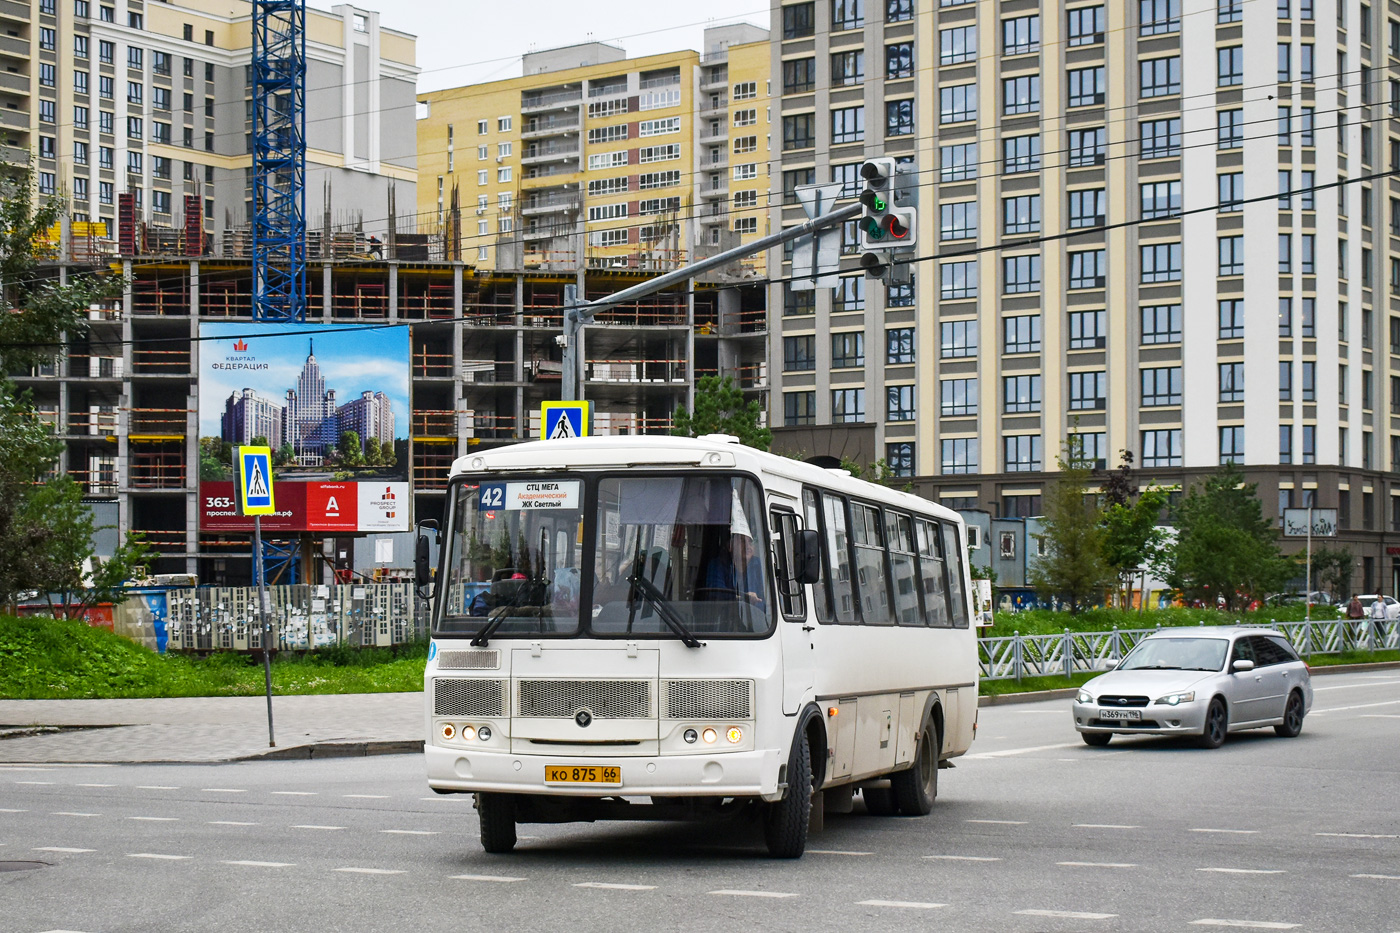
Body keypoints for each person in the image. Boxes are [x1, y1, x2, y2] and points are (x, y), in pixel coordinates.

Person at [703, 531, 765, 609]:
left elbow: (770, 597)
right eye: (742, 541)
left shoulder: (759, 565)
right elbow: (716, 593)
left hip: (757, 617)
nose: (747, 546)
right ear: (730, 546)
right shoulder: (717, 565)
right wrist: (742, 598)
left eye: (750, 542)